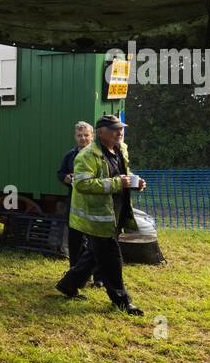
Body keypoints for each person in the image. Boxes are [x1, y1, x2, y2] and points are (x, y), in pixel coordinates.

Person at [55, 114, 146, 314]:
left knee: (95, 254)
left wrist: (134, 183)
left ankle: (68, 284)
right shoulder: (87, 156)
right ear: (101, 133)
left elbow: (123, 174)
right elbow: (81, 184)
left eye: (120, 129)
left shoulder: (120, 149)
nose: (119, 132)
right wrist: (117, 183)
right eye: (115, 129)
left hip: (116, 211)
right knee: (112, 258)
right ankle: (122, 301)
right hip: (95, 218)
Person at [58, 121, 98, 281]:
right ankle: (75, 272)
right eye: (79, 135)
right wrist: (65, 178)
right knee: (75, 240)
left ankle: (98, 277)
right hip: (74, 202)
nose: (83, 138)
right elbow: (60, 173)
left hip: (94, 203)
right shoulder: (70, 155)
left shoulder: (98, 155)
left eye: (86, 135)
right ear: (75, 137)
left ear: (92, 136)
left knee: (95, 241)